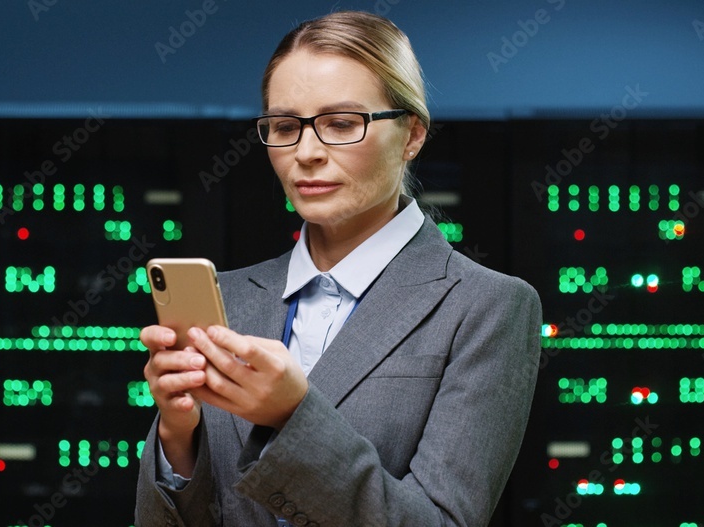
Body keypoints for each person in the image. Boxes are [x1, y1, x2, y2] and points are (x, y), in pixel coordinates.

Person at [135, 10, 541, 527]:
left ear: (412, 134)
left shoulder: (486, 307)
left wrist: (291, 416)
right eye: (284, 126)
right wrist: (176, 435)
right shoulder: (228, 299)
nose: (305, 153)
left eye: (341, 124)